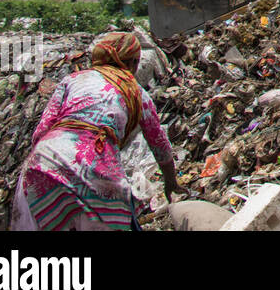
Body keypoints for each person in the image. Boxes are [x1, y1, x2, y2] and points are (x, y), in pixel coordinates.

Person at [13, 32, 177, 231]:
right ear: (133, 63)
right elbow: (159, 143)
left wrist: (43, 158)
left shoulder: (72, 80)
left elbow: (40, 131)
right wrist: (171, 183)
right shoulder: (136, 91)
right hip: (93, 167)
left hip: (44, 160)